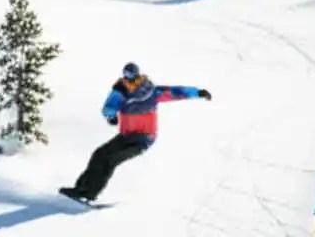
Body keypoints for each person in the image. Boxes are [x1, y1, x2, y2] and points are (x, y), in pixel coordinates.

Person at [61, 62, 211, 202]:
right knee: (99, 154)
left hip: (142, 140)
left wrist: (198, 92)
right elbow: (110, 105)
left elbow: (176, 92)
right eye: (127, 81)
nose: (130, 84)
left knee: (110, 160)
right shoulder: (123, 91)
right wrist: (111, 116)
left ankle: (89, 193)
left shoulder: (147, 93)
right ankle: (81, 188)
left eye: (132, 81)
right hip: (126, 136)